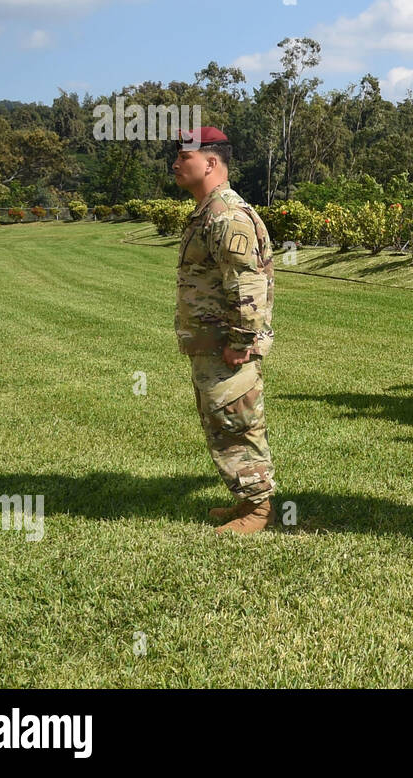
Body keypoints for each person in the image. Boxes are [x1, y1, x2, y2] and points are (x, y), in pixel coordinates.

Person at [172, 126, 277, 536]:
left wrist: (241, 341)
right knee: (222, 420)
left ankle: (258, 508)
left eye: (185, 157)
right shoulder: (209, 211)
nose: (176, 164)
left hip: (228, 345)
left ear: (211, 163)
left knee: (236, 420)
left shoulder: (226, 215)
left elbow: (246, 283)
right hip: (212, 342)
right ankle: (244, 500)